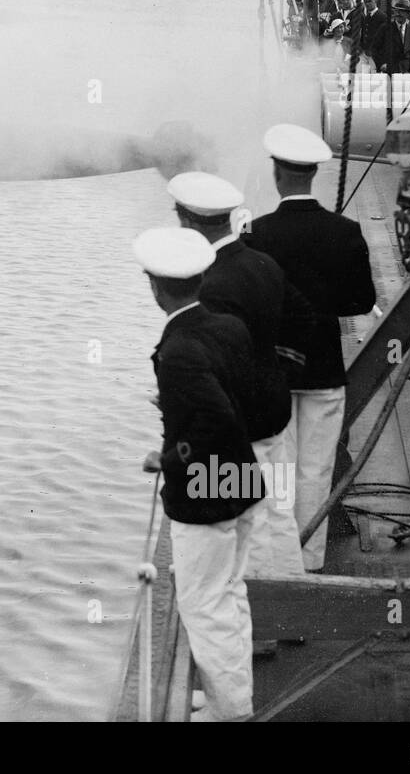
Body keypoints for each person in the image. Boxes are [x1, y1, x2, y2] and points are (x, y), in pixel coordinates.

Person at [135, 226, 263, 720]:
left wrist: (166, 458)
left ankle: (231, 714)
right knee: (229, 593)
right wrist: (178, 403)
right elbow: (239, 398)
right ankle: (229, 696)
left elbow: (214, 419)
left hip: (204, 493)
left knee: (204, 606)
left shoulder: (178, 350)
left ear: (156, 287)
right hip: (240, 479)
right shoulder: (229, 326)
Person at [244, 125, 378, 573]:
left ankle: (277, 565)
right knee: (315, 472)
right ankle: (310, 564)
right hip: (323, 369)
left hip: (273, 374)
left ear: (278, 175)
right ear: (313, 175)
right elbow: (361, 301)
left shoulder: (255, 235)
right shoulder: (345, 231)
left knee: (275, 473)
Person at [167, 172, 310, 579]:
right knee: (280, 511)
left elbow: (217, 359)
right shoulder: (261, 262)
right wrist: (278, 371)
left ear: (188, 222)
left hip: (242, 423)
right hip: (275, 410)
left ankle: (265, 623)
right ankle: (294, 609)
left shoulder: (209, 285)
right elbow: (303, 316)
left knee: (253, 519)